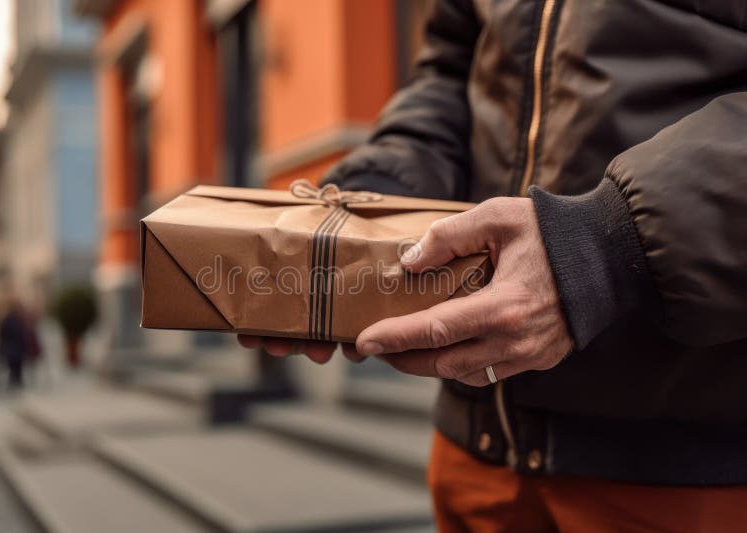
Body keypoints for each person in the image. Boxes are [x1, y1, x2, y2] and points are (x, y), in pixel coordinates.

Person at [240, 1, 747, 530]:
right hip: (474, 450)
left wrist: (605, 247)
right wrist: (385, 190)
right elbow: (452, 71)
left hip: (689, 474)